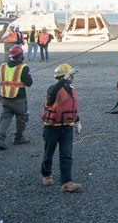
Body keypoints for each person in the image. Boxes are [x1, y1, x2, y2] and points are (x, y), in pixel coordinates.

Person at [41, 64, 82, 192]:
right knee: (49, 153)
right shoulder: (52, 89)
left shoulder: (72, 89)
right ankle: (46, 174)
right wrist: (64, 79)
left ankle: (66, 182)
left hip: (67, 128)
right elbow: (53, 94)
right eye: (71, 75)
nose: (72, 78)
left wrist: (77, 121)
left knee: (66, 155)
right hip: (52, 128)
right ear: (63, 76)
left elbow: (71, 107)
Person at [0, 45, 33, 150]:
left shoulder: (3, 67)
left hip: (5, 98)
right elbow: (29, 83)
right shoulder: (23, 67)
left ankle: (1, 139)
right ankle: (18, 137)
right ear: (20, 56)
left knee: (5, 118)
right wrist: (28, 75)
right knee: (21, 118)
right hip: (18, 99)